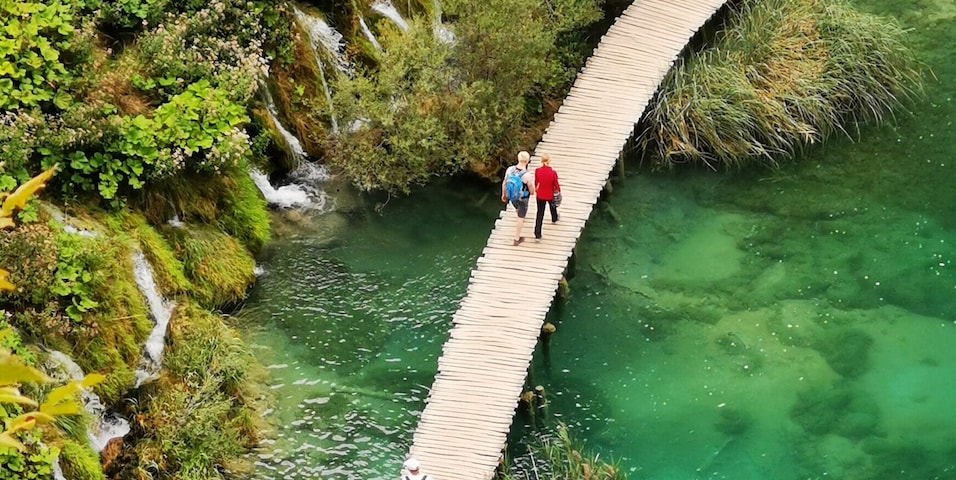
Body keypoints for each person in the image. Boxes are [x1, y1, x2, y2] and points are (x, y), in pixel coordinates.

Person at [501, 150, 536, 246]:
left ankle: (518, 213)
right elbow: (531, 190)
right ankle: (517, 238)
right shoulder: (527, 175)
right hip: (523, 198)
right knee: (521, 216)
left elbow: (504, 182)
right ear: (527, 161)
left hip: (511, 196)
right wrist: (533, 192)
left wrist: (504, 194)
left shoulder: (510, 170)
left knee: (516, 208)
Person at [532, 153, 560, 241]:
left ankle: (537, 234)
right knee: (553, 206)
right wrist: (558, 191)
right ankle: (554, 218)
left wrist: (537, 190)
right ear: (549, 161)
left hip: (540, 194)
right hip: (550, 194)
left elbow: (536, 182)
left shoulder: (537, 171)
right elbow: (556, 185)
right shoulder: (553, 173)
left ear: (541, 161)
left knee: (540, 213)